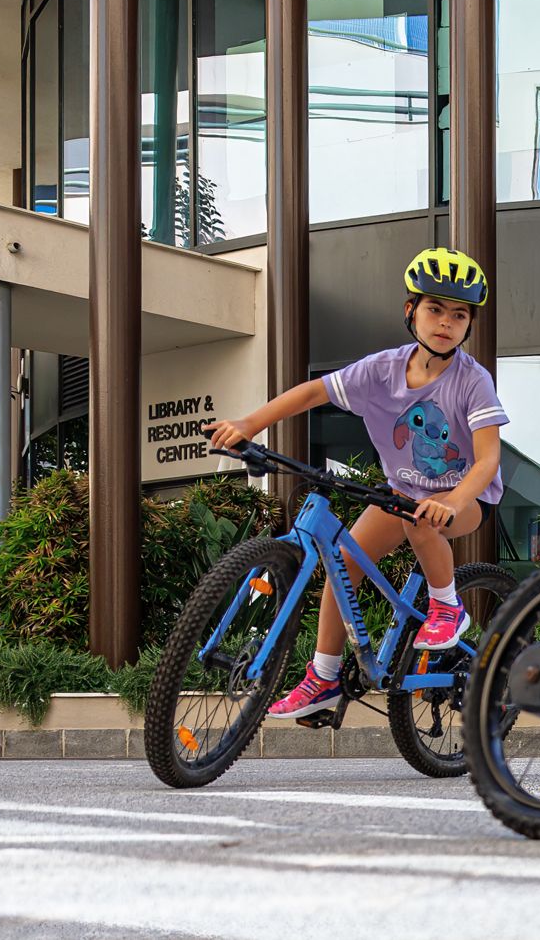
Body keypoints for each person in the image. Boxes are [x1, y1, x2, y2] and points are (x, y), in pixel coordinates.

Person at [204, 248, 509, 720]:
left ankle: (447, 607)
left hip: (466, 497)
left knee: (421, 518)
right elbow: (312, 392)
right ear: (411, 312)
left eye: (459, 314)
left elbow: (488, 460)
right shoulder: (382, 370)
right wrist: (249, 422)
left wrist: (453, 501)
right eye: (434, 309)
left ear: (469, 325)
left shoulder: (473, 381)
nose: (445, 322)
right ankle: (323, 677)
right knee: (343, 562)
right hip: (401, 493)